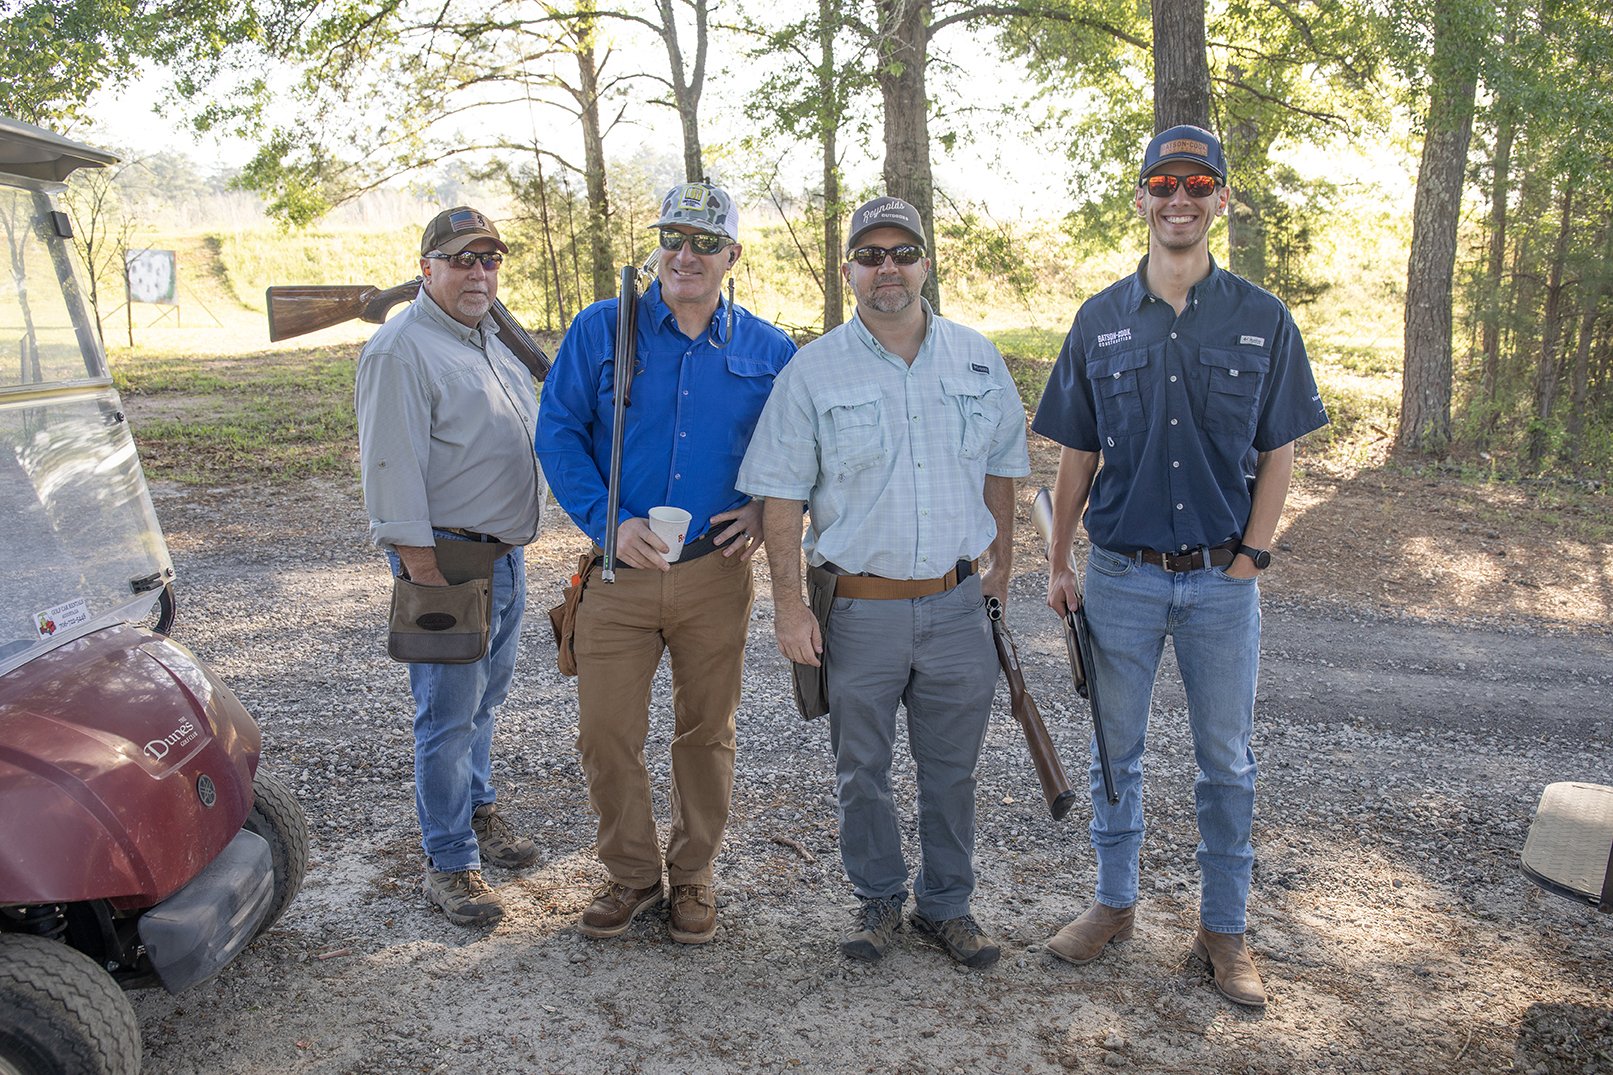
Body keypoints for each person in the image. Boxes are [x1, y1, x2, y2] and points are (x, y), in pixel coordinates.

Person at [1031, 125, 1329, 1008]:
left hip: (1217, 585)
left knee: (1225, 764)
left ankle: (1223, 929)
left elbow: (1278, 453)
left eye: (1198, 185)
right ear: (1142, 198)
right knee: (1114, 752)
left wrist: (1250, 560)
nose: (1179, 200)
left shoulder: (1262, 318)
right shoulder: (1098, 318)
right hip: (1118, 575)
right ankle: (1113, 905)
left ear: (1220, 201)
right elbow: (1075, 457)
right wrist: (1059, 562)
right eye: (1163, 183)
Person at [739, 195, 1030, 969]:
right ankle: (876, 898)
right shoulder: (812, 369)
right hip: (858, 611)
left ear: (925, 263)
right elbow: (780, 495)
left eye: (902, 252)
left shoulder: (975, 357)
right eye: (870, 256)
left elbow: (1001, 468)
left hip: (956, 604)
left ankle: (947, 904)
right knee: (859, 767)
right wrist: (790, 607)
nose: (887, 268)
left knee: (952, 769)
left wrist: (999, 569)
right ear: (848, 271)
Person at [536, 181, 796, 945]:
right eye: (673, 238)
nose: (685, 255)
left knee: (706, 731)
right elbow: (557, 433)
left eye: (704, 242)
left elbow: (794, 456)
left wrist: (759, 508)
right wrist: (610, 524)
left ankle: (692, 877)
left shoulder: (770, 349)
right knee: (605, 732)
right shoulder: (600, 329)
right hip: (617, 575)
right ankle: (629, 874)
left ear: (731, 256)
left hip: (715, 576)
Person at [355, 206, 546, 927]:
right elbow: (389, 467)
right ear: (426, 267)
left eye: (490, 259)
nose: (479, 272)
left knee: (484, 702)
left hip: (500, 556)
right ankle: (449, 861)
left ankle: (476, 809)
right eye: (463, 259)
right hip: (446, 558)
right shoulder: (401, 349)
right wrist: (421, 569)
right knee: (444, 715)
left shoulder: (488, 333)